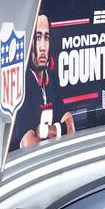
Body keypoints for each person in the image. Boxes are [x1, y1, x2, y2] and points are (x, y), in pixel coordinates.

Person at [9, 14, 76, 153]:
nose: (43, 47)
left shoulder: (50, 78)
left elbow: (70, 125)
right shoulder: (20, 83)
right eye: (37, 37)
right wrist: (60, 129)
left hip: (51, 163)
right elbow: (28, 144)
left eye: (46, 37)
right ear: (28, 41)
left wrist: (47, 131)